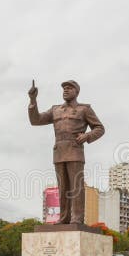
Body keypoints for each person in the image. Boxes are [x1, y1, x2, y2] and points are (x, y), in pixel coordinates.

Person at [27, 80, 105, 224]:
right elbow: (36, 120)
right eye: (64, 88)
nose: (66, 90)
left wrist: (87, 136)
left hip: (75, 151)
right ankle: (64, 218)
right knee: (62, 188)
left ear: (76, 92)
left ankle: (77, 218)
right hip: (59, 152)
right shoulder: (55, 110)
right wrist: (33, 99)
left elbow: (100, 128)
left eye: (69, 88)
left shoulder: (84, 109)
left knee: (76, 187)